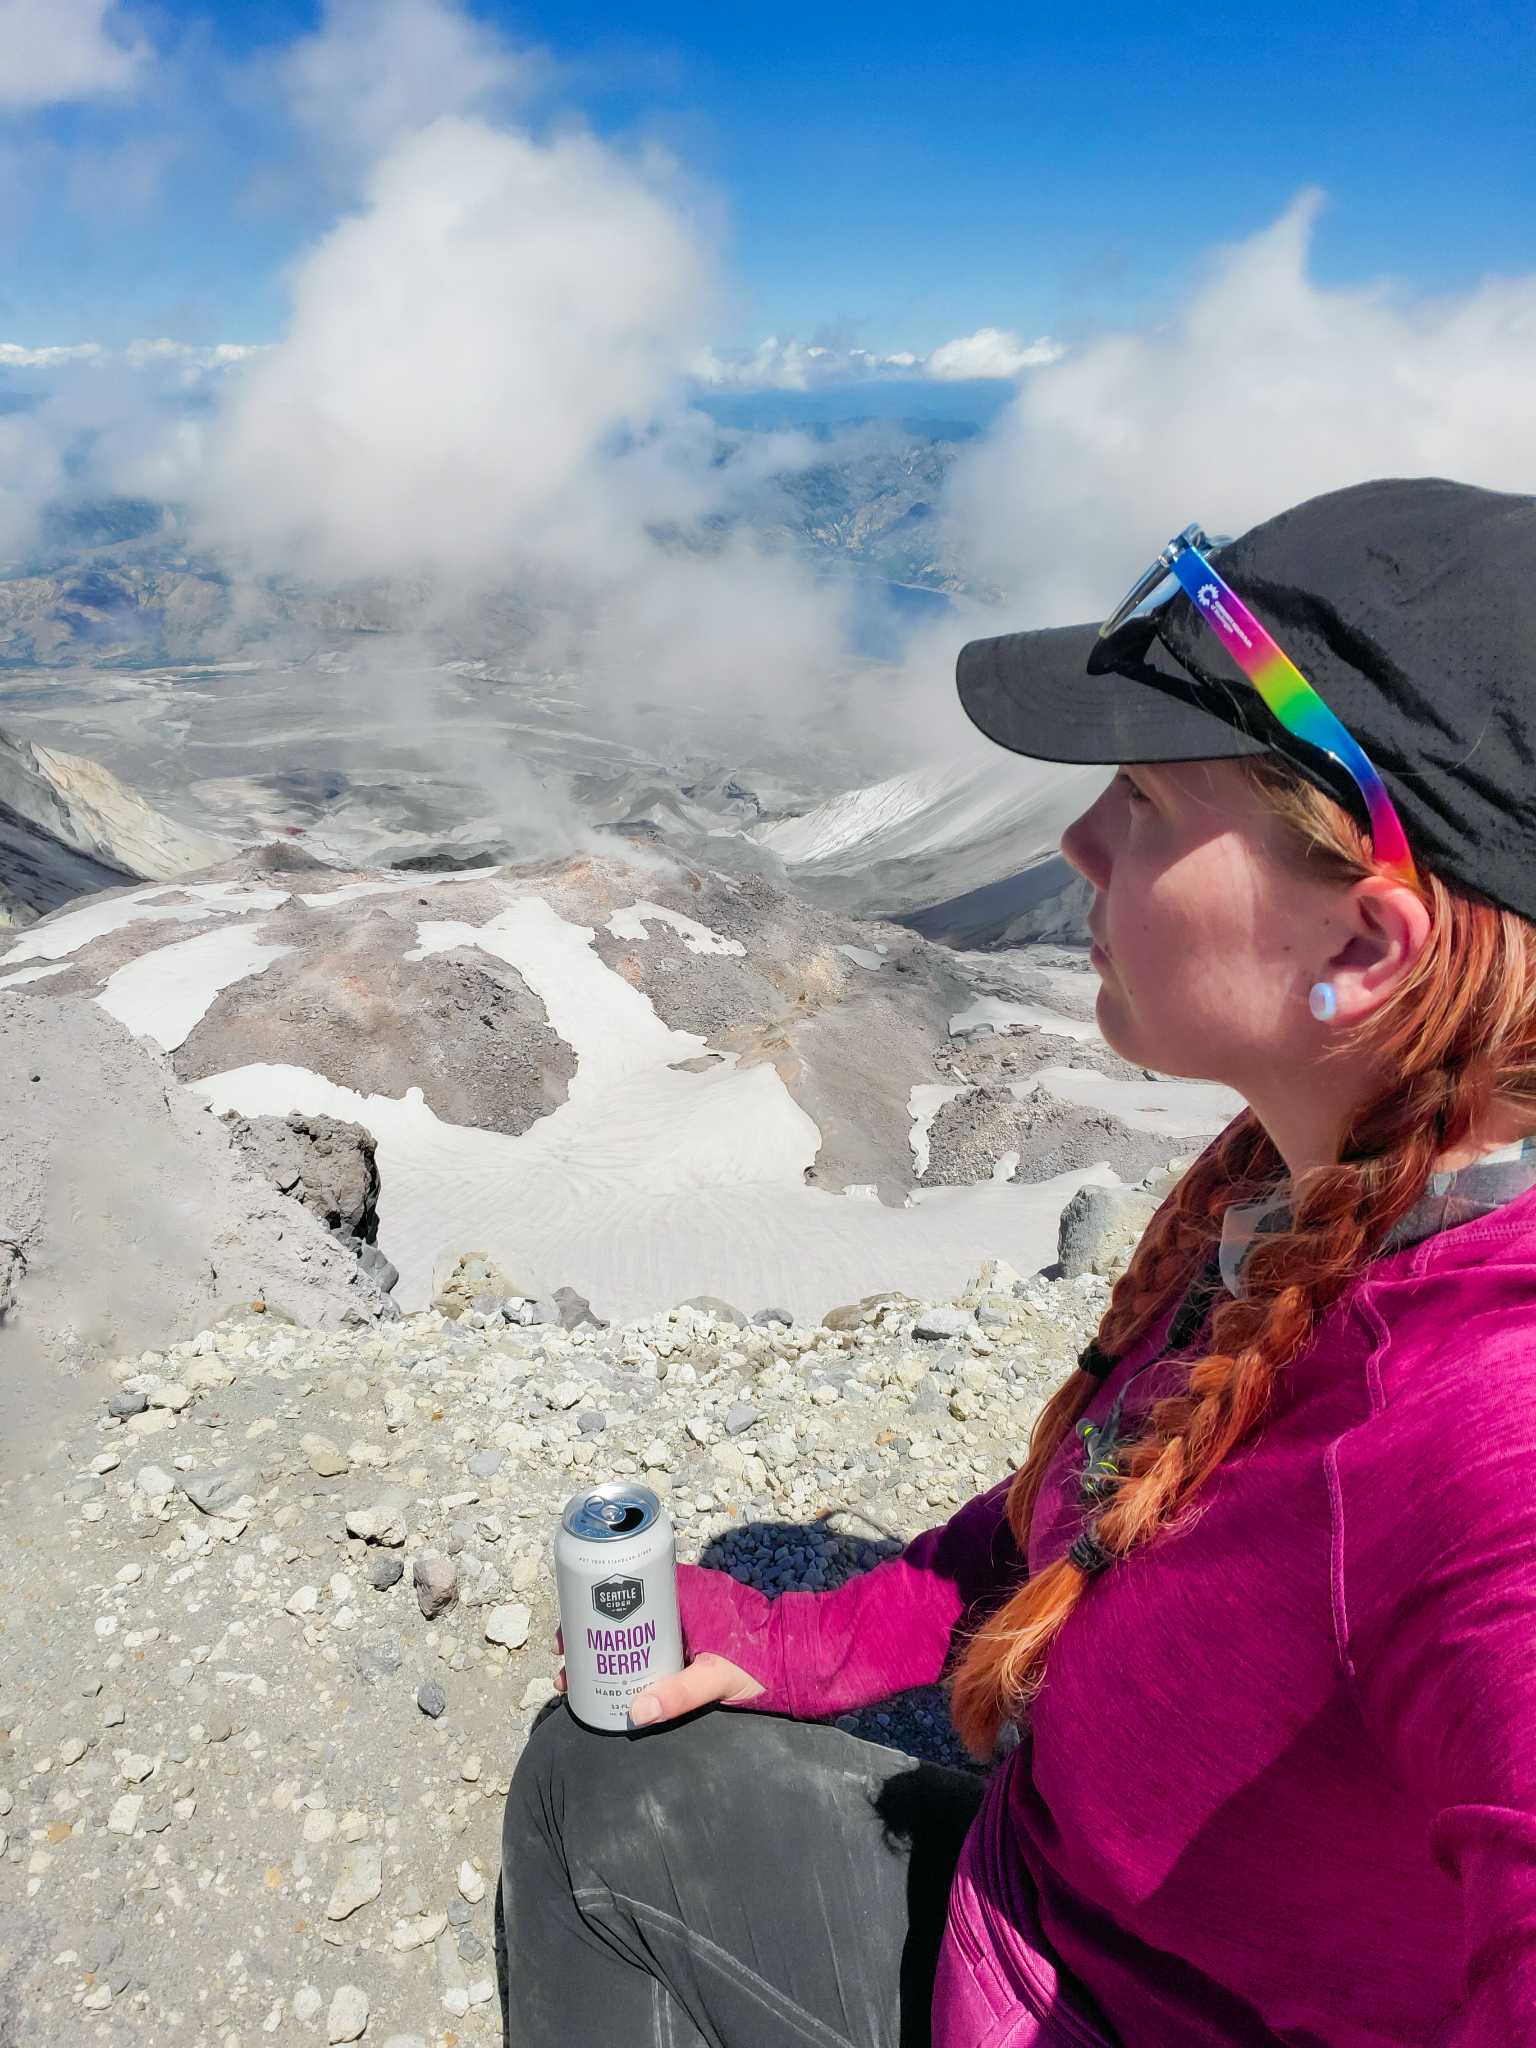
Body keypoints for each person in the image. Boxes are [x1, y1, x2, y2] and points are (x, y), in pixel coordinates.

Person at [498, 476, 1536, 2046]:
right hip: (1043, 1937)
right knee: (599, 1772)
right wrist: (810, 1633)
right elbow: (1109, 1520)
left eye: (1149, 801)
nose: (1077, 836)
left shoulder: (1486, 1437)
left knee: (591, 1811)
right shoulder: (1309, 1174)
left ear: (1362, 950)